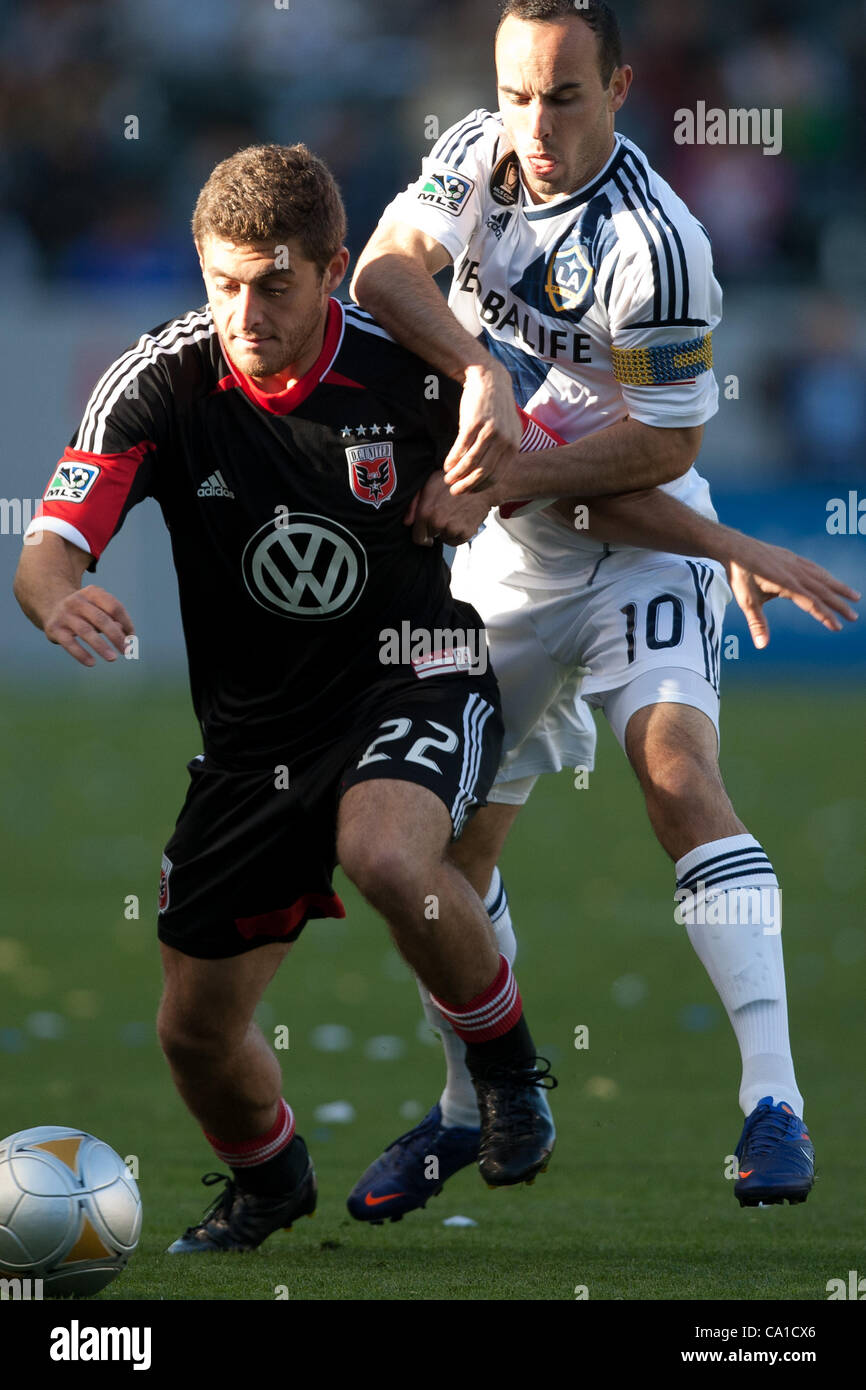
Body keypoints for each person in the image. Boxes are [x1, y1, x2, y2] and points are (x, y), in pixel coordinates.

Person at [345, 0, 859, 1221]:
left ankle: (772, 1103)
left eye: (562, 96)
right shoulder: (475, 153)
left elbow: (661, 444)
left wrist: (513, 470)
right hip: (503, 572)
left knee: (676, 776)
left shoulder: (657, 243)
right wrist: (480, 375)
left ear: (619, 87)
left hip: (631, 545)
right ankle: (472, 1106)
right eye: (517, 92)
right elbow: (377, 265)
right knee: (441, 863)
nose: (533, 124)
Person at [12, 142, 564, 1254]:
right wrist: (57, 594)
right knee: (194, 1033)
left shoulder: (416, 368)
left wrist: (496, 475)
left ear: (332, 267)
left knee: (388, 855)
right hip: (253, 736)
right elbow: (47, 544)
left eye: (275, 283)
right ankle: (268, 1180)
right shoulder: (158, 380)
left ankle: (507, 1071)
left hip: (413, 671)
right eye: (224, 282)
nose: (247, 311)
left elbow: (578, 453)